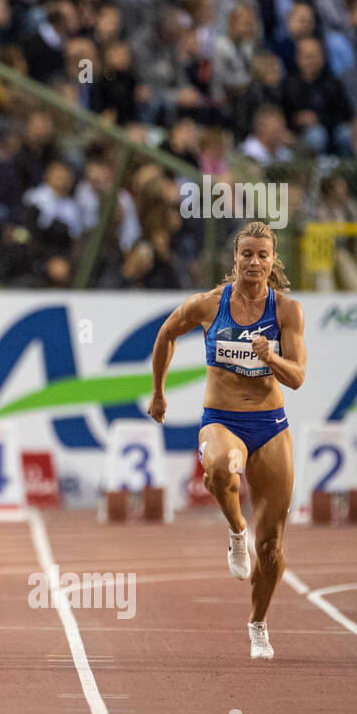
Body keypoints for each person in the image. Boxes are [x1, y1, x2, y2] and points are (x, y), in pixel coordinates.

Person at [149, 222, 307, 660]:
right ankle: (236, 529)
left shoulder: (287, 311)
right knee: (219, 469)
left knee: (272, 545)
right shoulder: (208, 305)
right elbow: (165, 334)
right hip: (221, 419)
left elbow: (297, 377)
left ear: (273, 261)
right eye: (247, 255)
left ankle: (258, 623)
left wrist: (270, 356)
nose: (254, 262)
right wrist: (159, 392)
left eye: (262, 255)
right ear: (234, 259)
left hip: (270, 425)